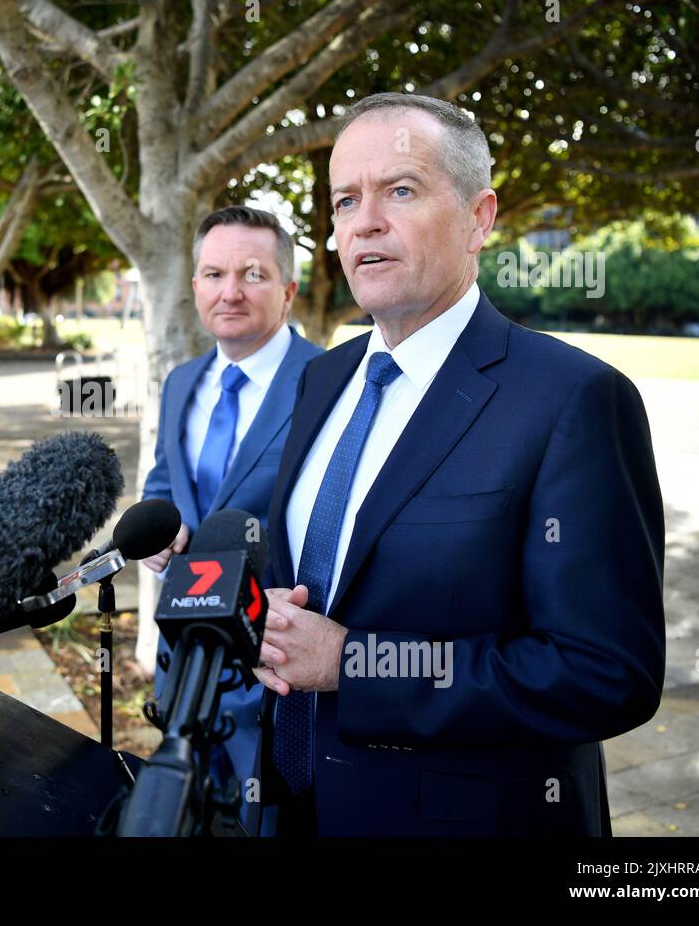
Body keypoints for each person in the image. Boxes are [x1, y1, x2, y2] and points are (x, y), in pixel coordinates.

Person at [255, 93, 665, 835]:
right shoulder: (323, 380)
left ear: (480, 218)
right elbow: (336, 566)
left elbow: (606, 674)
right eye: (345, 200)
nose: (364, 222)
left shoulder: (574, 399)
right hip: (298, 805)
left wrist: (358, 664)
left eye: (400, 190)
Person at [140, 205, 321, 834]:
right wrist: (159, 537)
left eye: (253, 273)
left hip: (270, 672)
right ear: (195, 287)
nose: (231, 291)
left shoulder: (329, 383)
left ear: (289, 290)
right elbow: (164, 483)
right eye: (214, 274)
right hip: (181, 665)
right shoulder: (181, 381)